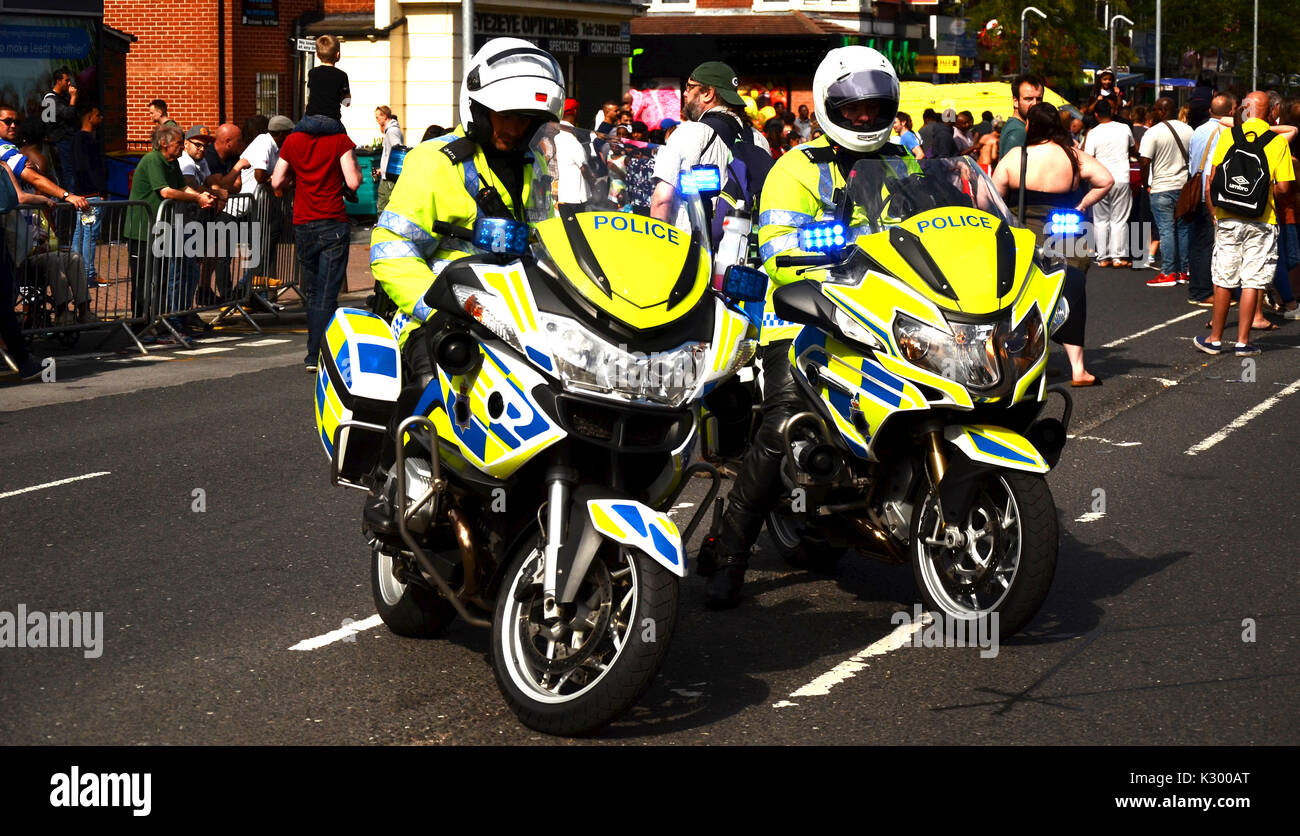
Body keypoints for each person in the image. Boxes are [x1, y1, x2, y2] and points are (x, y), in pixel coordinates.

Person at [699, 45, 915, 608]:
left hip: (882, 310)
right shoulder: (795, 168)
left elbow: (932, 224)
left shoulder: (905, 162)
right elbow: (774, 247)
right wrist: (822, 245)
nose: (865, 118)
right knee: (787, 426)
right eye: (853, 107)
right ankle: (731, 552)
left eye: (875, 107)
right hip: (799, 313)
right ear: (826, 107)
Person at [370, 37, 562, 357]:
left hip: (519, 320)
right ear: (480, 110)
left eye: (526, 119)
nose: (517, 129)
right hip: (440, 319)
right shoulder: (436, 160)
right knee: (431, 386)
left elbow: (546, 243)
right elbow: (391, 249)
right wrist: (438, 307)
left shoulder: (534, 164)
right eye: (508, 116)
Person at [992, 102, 1113, 388]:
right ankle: (1078, 369)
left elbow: (993, 199)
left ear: (1030, 127)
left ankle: (1027, 362)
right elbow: (1106, 180)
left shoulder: (1015, 157)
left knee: (1025, 299)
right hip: (1067, 231)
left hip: (1026, 233)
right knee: (1069, 295)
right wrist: (1082, 204)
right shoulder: (1073, 156)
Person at [1195, 92, 1295, 357]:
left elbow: (1214, 177)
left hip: (1228, 215)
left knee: (1224, 278)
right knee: (1253, 279)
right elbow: (1284, 188)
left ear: (1244, 110)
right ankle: (1243, 342)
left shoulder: (1228, 136)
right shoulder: (1277, 142)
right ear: (1272, 111)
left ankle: (1215, 339)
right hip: (1262, 218)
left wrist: (1215, 211)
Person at [271, 112, 361, 371]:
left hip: (303, 222)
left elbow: (277, 180)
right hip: (332, 219)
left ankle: (316, 350)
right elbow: (354, 182)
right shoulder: (339, 140)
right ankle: (319, 353)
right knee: (327, 291)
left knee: (312, 291)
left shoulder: (293, 141)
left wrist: (294, 180)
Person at [123, 124, 215, 325]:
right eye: (179, 144)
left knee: (163, 279)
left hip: (162, 228)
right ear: (164, 143)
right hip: (141, 230)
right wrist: (197, 199)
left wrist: (200, 195)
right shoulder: (153, 160)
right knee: (143, 280)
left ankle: (161, 323)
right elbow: (165, 191)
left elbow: (182, 186)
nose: (182, 148)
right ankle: (140, 326)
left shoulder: (172, 161)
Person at [1185, 93, 1236, 306]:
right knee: (1210, 245)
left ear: (1210, 111)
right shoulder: (1225, 132)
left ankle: (1197, 288)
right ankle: (1203, 291)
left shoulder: (1199, 130)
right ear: (1231, 112)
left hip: (1194, 188)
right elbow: (1212, 169)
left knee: (1198, 243)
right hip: (1211, 192)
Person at [1140, 97, 1195, 287]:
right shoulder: (1189, 130)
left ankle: (1168, 272)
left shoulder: (1153, 132)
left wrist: (1146, 183)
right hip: (1184, 187)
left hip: (1162, 187)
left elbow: (1145, 161)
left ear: (1162, 111)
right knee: (1183, 229)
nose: (1153, 112)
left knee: (1166, 230)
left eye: (1155, 109)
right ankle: (1183, 271)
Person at [1083, 99, 1135, 268]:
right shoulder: (1124, 128)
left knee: (1100, 219)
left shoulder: (1094, 133)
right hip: (1121, 177)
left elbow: (1088, 156)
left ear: (1096, 114)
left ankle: (1103, 257)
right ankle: (1118, 257)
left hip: (1100, 179)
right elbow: (1133, 148)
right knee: (1119, 219)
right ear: (1112, 111)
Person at [71, 103, 108, 288]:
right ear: (89, 117)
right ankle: (87, 274)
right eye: (98, 113)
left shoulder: (80, 139)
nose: (101, 117)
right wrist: (100, 191)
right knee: (89, 234)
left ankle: (78, 273)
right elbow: (89, 168)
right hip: (91, 195)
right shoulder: (85, 139)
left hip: (83, 194)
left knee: (81, 233)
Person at [296, 35, 350, 137]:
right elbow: (346, 102)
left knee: (292, 138)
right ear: (338, 55)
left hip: (310, 119)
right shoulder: (342, 75)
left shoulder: (312, 73)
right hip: (332, 121)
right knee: (346, 145)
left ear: (317, 55)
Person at [41, 68, 79, 191]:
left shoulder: (62, 98)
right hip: (60, 141)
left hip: (67, 140)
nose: (69, 84)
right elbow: (67, 114)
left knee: (71, 171)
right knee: (67, 173)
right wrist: (73, 98)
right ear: (58, 81)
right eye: (66, 80)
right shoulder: (50, 98)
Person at [999, 74, 1044, 160]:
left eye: (1039, 99)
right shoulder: (1018, 132)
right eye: (1028, 99)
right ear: (1015, 101)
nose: (1034, 104)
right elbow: (1015, 170)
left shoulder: (1020, 127)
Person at [374, 106, 404, 213]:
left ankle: (382, 228)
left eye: (378, 117)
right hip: (388, 175)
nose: (376, 120)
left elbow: (398, 151)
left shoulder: (392, 132)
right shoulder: (391, 130)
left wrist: (388, 170)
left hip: (389, 178)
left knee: (383, 207)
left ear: (385, 116)